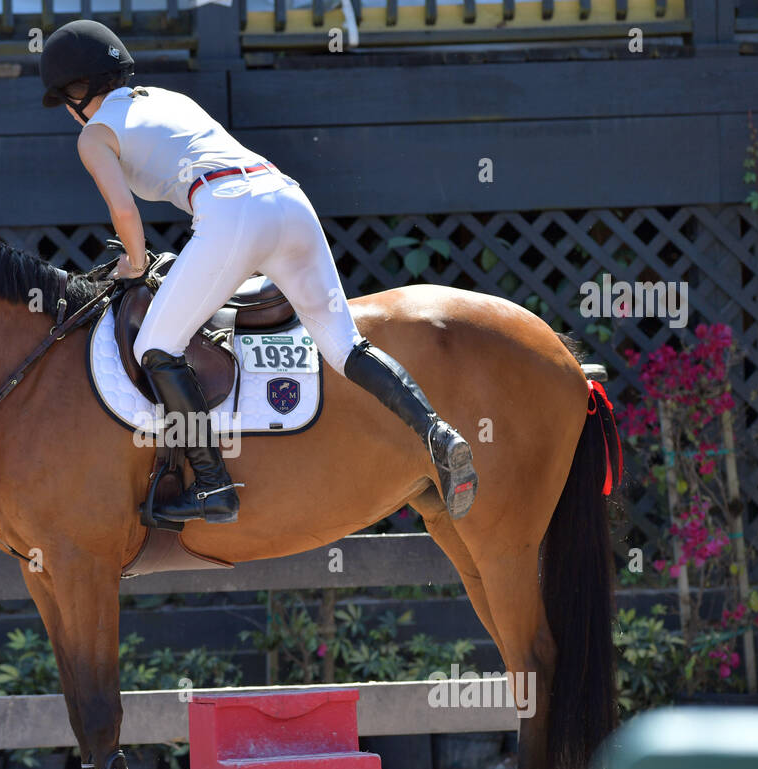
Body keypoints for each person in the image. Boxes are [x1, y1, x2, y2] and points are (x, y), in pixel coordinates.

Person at [40, 20, 478, 524]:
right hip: (287, 199)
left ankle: (212, 487)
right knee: (344, 345)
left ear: (76, 94)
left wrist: (133, 264)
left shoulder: (94, 135)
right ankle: (439, 435)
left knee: (155, 346)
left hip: (231, 209)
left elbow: (124, 213)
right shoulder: (165, 98)